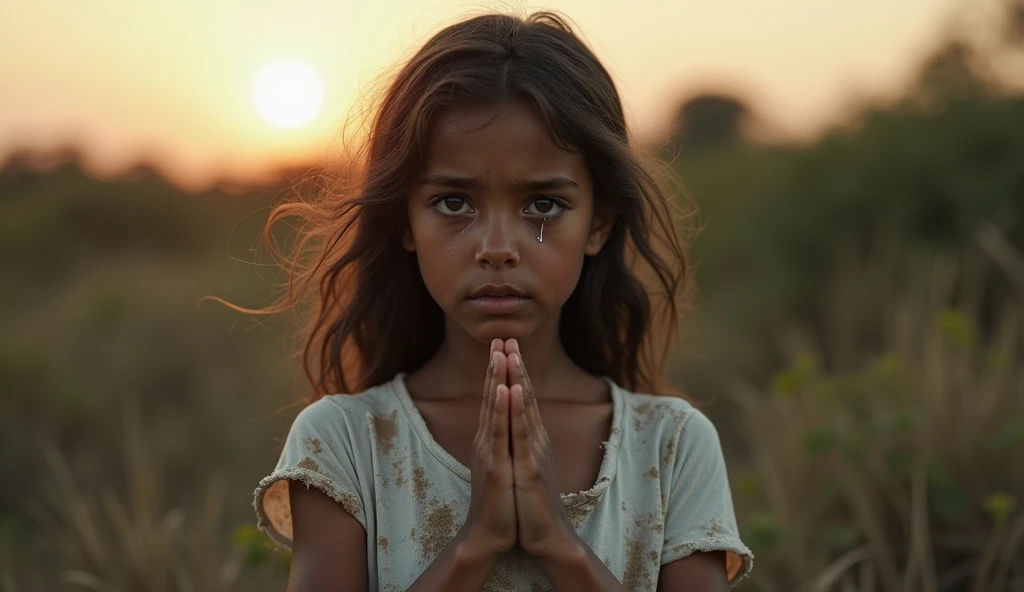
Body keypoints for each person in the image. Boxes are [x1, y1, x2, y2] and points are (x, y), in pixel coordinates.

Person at [249, 9, 753, 591]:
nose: (497, 249)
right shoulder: (345, 443)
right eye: (453, 203)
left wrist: (559, 544)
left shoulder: (671, 447)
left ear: (598, 224)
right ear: (406, 222)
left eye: (543, 205)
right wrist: (475, 544)